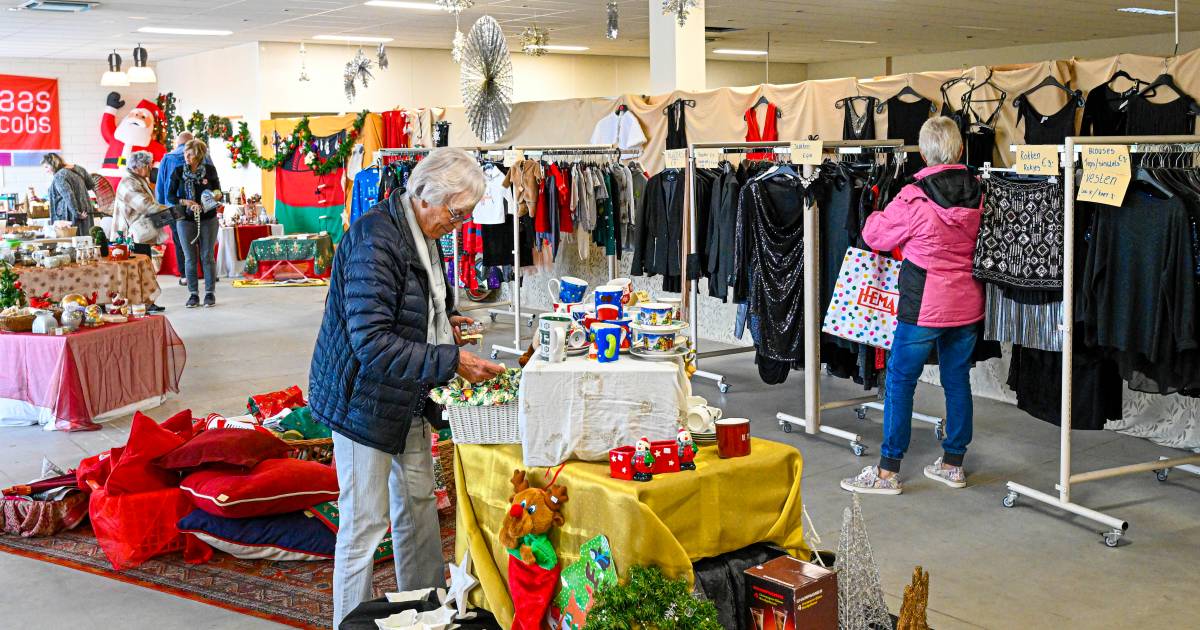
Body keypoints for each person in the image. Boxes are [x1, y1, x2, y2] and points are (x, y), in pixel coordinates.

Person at [308, 148, 505, 626]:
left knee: (418, 510)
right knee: (364, 524)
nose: (459, 224)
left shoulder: (423, 232)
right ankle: (349, 622)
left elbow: (416, 304)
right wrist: (449, 359)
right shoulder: (376, 239)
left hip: (408, 394)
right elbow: (372, 343)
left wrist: (446, 323)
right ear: (426, 195)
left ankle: (426, 613)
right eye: (456, 213)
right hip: (363, 402)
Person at [841, 116, 984, 496]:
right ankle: (953, 464)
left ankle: (888, 472)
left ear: (922, 153)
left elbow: (874, 235)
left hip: (924, 304)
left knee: (901, 381)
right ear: (959, 150)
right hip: (968, 303)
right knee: (957, 380)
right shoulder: (981, 191)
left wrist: (876, 212)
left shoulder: (913, 196)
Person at [167, 139, 221, 308]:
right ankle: (193, 294)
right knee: (190, 258)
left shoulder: (210, 171)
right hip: (185, 220)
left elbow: (218, 190)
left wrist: (215, 195)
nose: (186, 157)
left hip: (208, 218)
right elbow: (170, 196)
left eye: (189, 154)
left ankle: (210, 293)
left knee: (207, 256)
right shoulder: (177, 172)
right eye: (185, 153)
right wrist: (185, 202)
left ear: (198, 155)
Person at [114, 150, 169, 313]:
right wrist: (169, 209)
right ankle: (138, 304)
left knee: (145, 269)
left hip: (140, 236)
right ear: (139, 166)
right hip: (130, 237)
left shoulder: (138, 180)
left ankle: (147, 302)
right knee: (136, 272)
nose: (150, 168)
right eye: (148, 165)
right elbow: (145, 205)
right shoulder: (128, 183)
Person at [157, 131, 211, 286]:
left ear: (178, 142)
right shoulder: (203, 154)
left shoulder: (168, 158)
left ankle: (185, 276)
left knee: (180, 240)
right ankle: (206, 274)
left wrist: (161, 205)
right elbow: (212, 179)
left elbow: (161, 186)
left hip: (175, 205)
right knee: (203, 238)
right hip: (200, 204)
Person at [42, 152, 96, 236]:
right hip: (85, 209)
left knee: (73, 243)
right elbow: (91, 184)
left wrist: (76, 213)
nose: (45, 170)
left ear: (53, 164)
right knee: (86, 240)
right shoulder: (77, 170)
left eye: (46, 167)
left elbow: (68, 195)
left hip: (71, 214)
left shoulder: (59, 176)